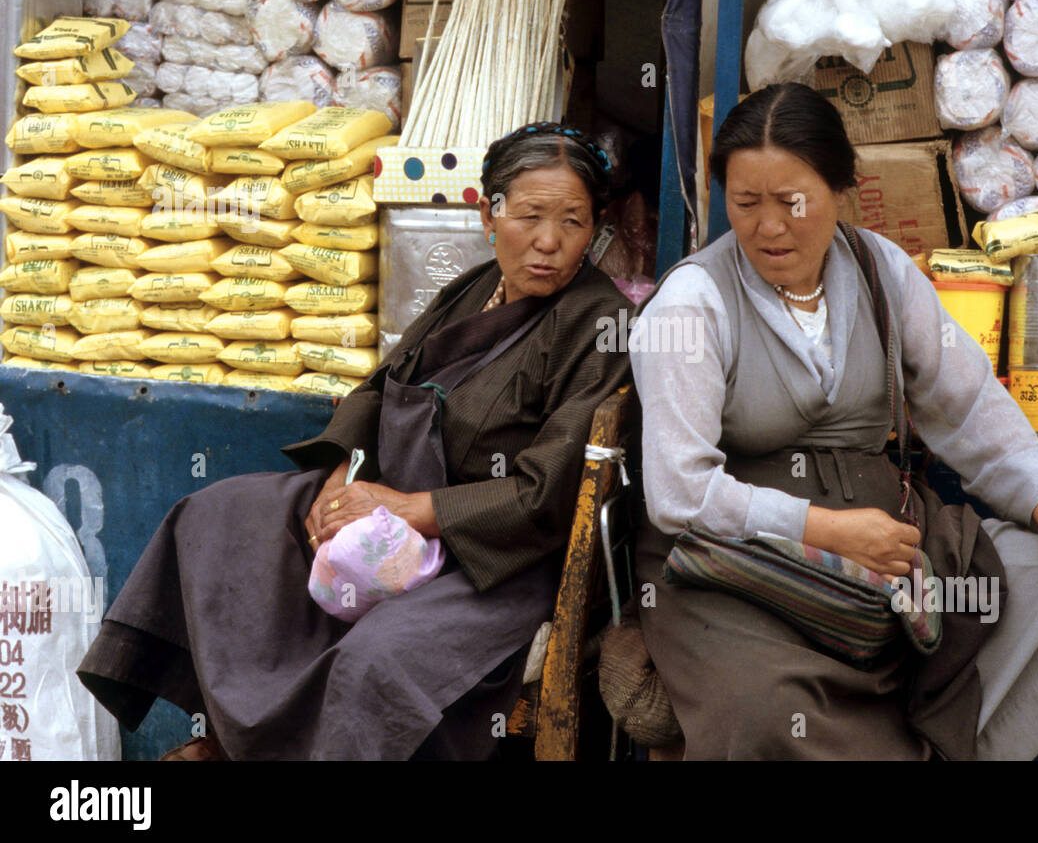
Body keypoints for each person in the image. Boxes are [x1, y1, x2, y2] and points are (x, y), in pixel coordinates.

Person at [630, 83, 1038, 760]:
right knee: (766, 709)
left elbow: (966, 402)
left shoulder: (880, 271)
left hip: (890, 548)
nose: (768, 227)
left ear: (843, 189)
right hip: (734, 569)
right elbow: (680, 493)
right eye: (745, 203)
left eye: (793, 201)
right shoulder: (692, 303)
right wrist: (825, 531)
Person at [77, 122, 632, 760]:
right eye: (530, 216)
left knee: (374, 660)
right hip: (388, 496)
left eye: (574, 222)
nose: (549, 242)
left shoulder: (601, 322)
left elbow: (547, 493)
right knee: (217, 518)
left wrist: (406, 511)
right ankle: (230, 735)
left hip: (488, 555)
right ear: (488, 212)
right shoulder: (477, 288)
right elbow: (380, 384)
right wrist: (341, 474)